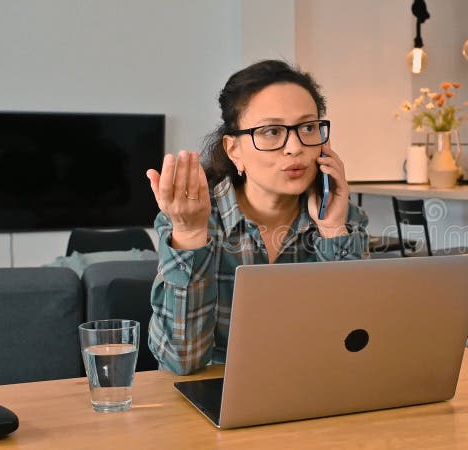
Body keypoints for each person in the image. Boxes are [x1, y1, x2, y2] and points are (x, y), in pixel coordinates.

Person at [145, 60, 369, 375]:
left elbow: (358, 347)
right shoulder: (193, 219)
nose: (294, 148)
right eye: (271, 131)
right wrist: (190, 235)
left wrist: (333, 231)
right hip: (216, 396)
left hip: (314, 391)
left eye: (307, 128)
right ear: (233, 149)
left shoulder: (345, 219)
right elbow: (181, 361)